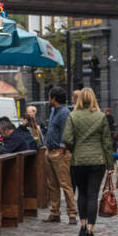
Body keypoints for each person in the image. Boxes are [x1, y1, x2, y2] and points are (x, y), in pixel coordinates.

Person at [64, 87, 113, 236]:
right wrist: (110, 164)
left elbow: (67, 138)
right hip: (97, 161)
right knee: (93, 195)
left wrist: (75, 149)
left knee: (82, 194)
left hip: (78, 161)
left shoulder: (72, 116)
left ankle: (83, 225)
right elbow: (107, 143)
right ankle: (91, 229)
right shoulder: (101, 117)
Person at [40, 85, 78, 224]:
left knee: (65, 184)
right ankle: (55, 212)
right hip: (50, 151)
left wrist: (62, 148)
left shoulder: (64, 112)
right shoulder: (53, 110)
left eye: (50, 97)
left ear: (54, 98)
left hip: (59, 153)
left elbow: (66, 131)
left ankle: (72, 214)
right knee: (52, 185)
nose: (48, 99)